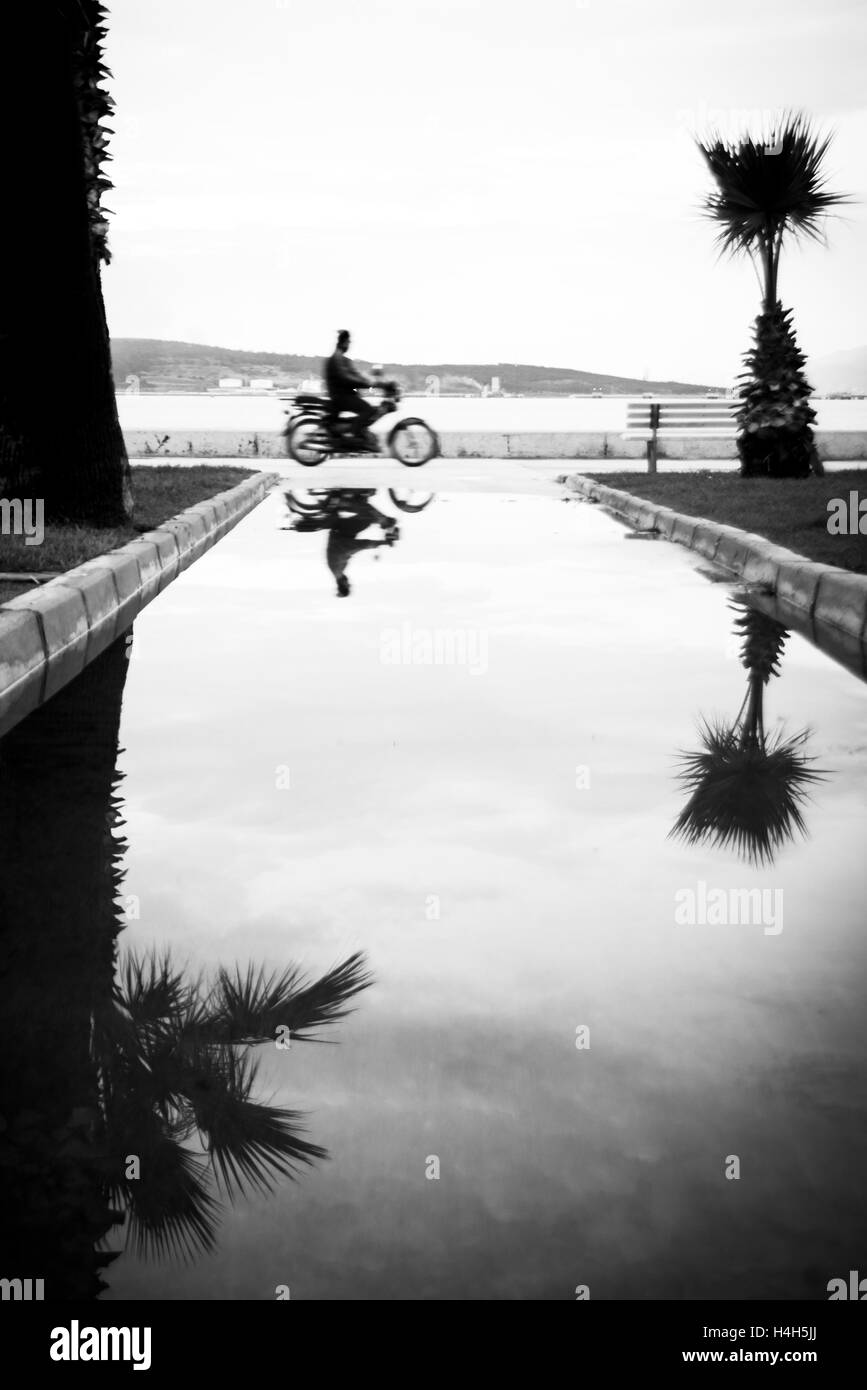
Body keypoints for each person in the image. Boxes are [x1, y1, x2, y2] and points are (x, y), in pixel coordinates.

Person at [324, 329, 379, 450]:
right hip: (341, 396)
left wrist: (368, 382)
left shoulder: (341, 359)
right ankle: (354, 436)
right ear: (343, 342)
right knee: (368, 410)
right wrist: (365, 383)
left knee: (366, 410)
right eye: (348, 342)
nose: (349, 345)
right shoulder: (337, 358)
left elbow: (354, 374)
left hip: (342, 395)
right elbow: (346, 377)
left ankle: (355, 432)